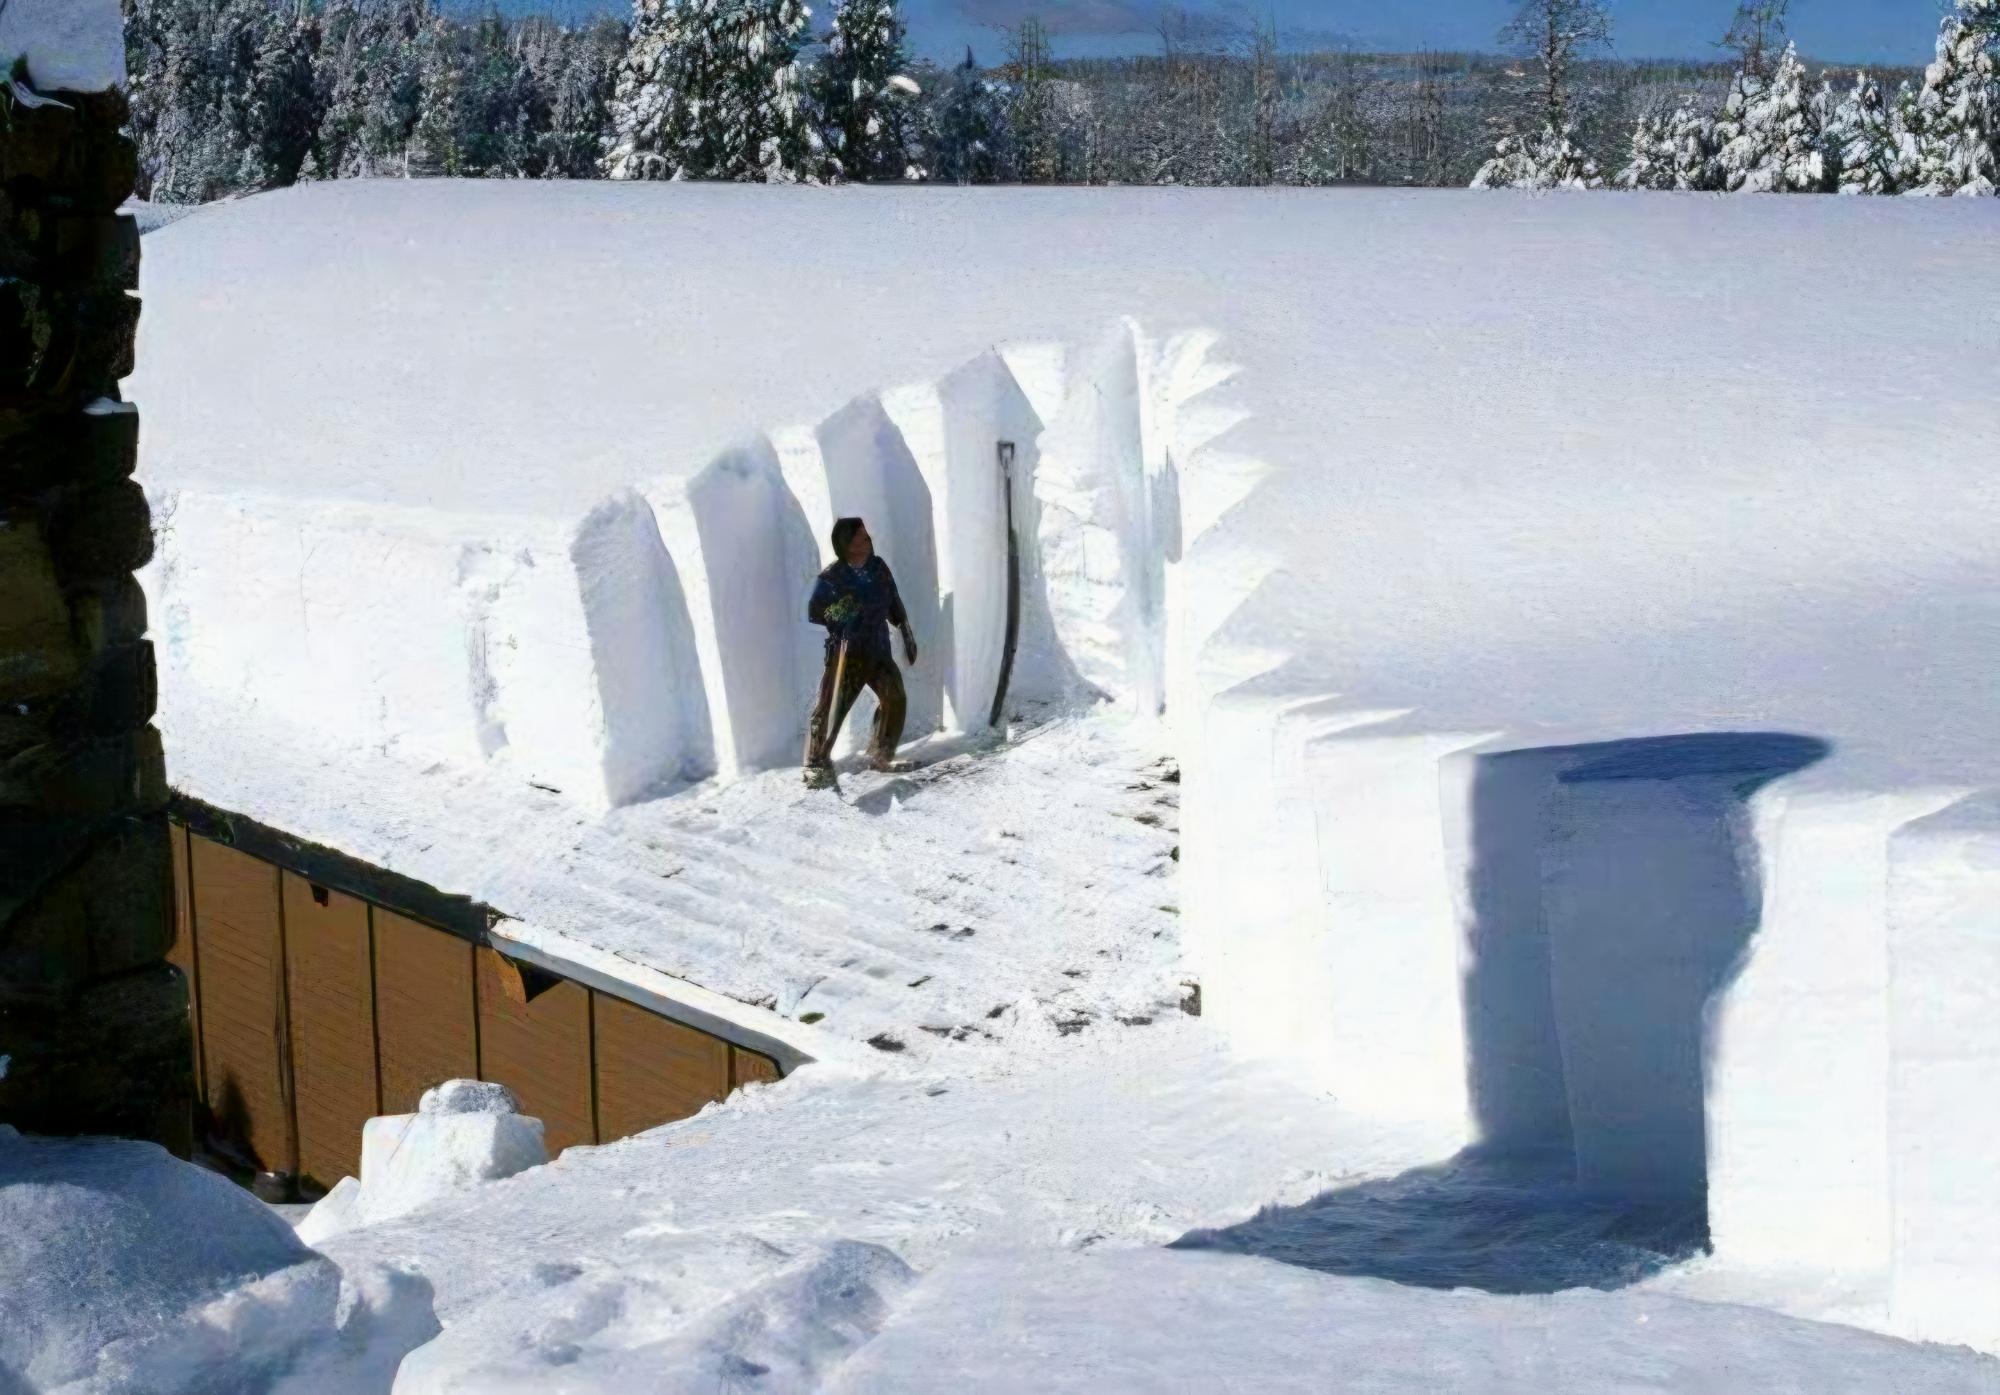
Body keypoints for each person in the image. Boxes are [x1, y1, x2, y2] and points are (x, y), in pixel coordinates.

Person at [805, 516, 919, 782]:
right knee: (832, 709)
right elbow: (816, 612)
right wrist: (839, 611)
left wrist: (906, 631)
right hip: (848, 654)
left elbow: (893, 600)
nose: (867, 539)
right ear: (846, 544)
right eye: (859, 536)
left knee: (895, 698)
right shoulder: (831, 579)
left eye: (866, 534)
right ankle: (816, 765)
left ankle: (881, 755)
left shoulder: (878, 568)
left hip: (878, 648)